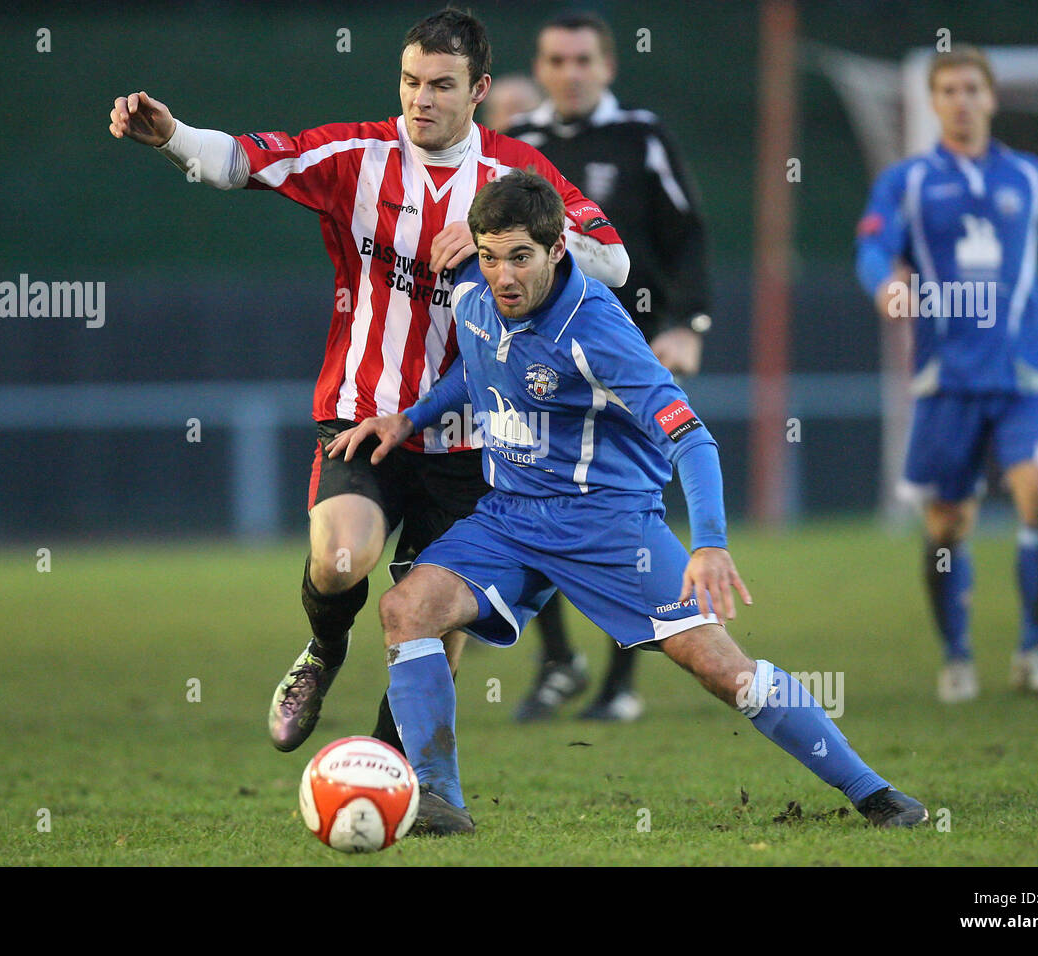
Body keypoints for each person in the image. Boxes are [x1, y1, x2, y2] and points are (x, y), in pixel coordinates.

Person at [329, 169, 927, 834]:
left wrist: (710, 544)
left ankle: (876, 794)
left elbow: (692, 439)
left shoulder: (598, 331)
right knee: (407, 608)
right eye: (490, 255)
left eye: (520, 258)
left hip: (606, 525)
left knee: (722, 672)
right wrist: (409, 419)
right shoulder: (474, 293)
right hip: (511, 518)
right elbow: (474, 368)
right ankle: (439, 802)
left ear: (558, 251)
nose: (503, 276)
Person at [107, 9, 630, 754]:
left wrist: (510, 241)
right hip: (365, 413)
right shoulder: (359, 154)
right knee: (341, 556)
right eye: (412, 81)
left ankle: (390, 765)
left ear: (478, 89)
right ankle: (324, 651)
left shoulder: (515, 175)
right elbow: (245, 160)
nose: (422, 99)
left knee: (434, 615)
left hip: (472, 438)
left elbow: (613, 260)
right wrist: (172, 136)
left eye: (442, 85)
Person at [856, 46, 1038, 703]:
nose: (960, 100)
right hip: (945, 380)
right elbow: (873, 247)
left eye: (971, 89)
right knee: (948, 526)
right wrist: (885, 284)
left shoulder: (1030, 178)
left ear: (991, 98)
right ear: (933, 102)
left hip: (1025, 375)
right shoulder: (909, 181)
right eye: (948, 89)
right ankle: (957, 656)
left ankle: (1033, 652)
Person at [501, 12, 715, 722]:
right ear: (542, 65)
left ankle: (620, 686)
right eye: (556, 60)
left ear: (607, 66)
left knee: (622, 507)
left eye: (583, 59)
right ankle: (560, 658)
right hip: (543, 358)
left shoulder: (642, 136)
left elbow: (687, 234)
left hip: (634, 350)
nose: (570, 72)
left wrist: (686, 325)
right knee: (535, 496)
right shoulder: (521, 144)